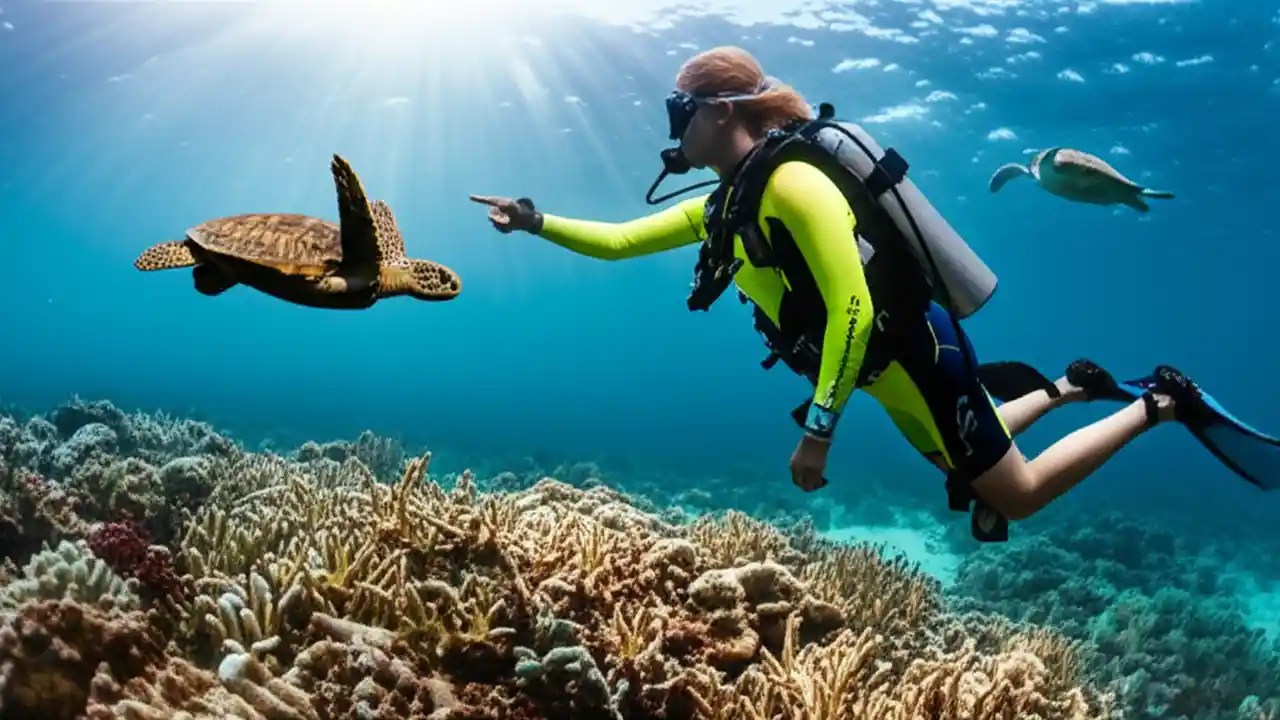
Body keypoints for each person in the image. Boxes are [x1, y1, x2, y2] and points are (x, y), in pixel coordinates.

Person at [469, 46, 1223, 540]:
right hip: (882, 374)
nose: (673, 128)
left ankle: (1156, 402)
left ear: (721, 111)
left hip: (919, 357)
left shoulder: (794, 185)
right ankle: (1066, 388)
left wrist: (819, 431)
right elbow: (621, 241)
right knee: (967, 464)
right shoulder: (727, 203)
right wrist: (532, 221)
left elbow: (854, 308)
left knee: (1014, 494)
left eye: (680, 111)